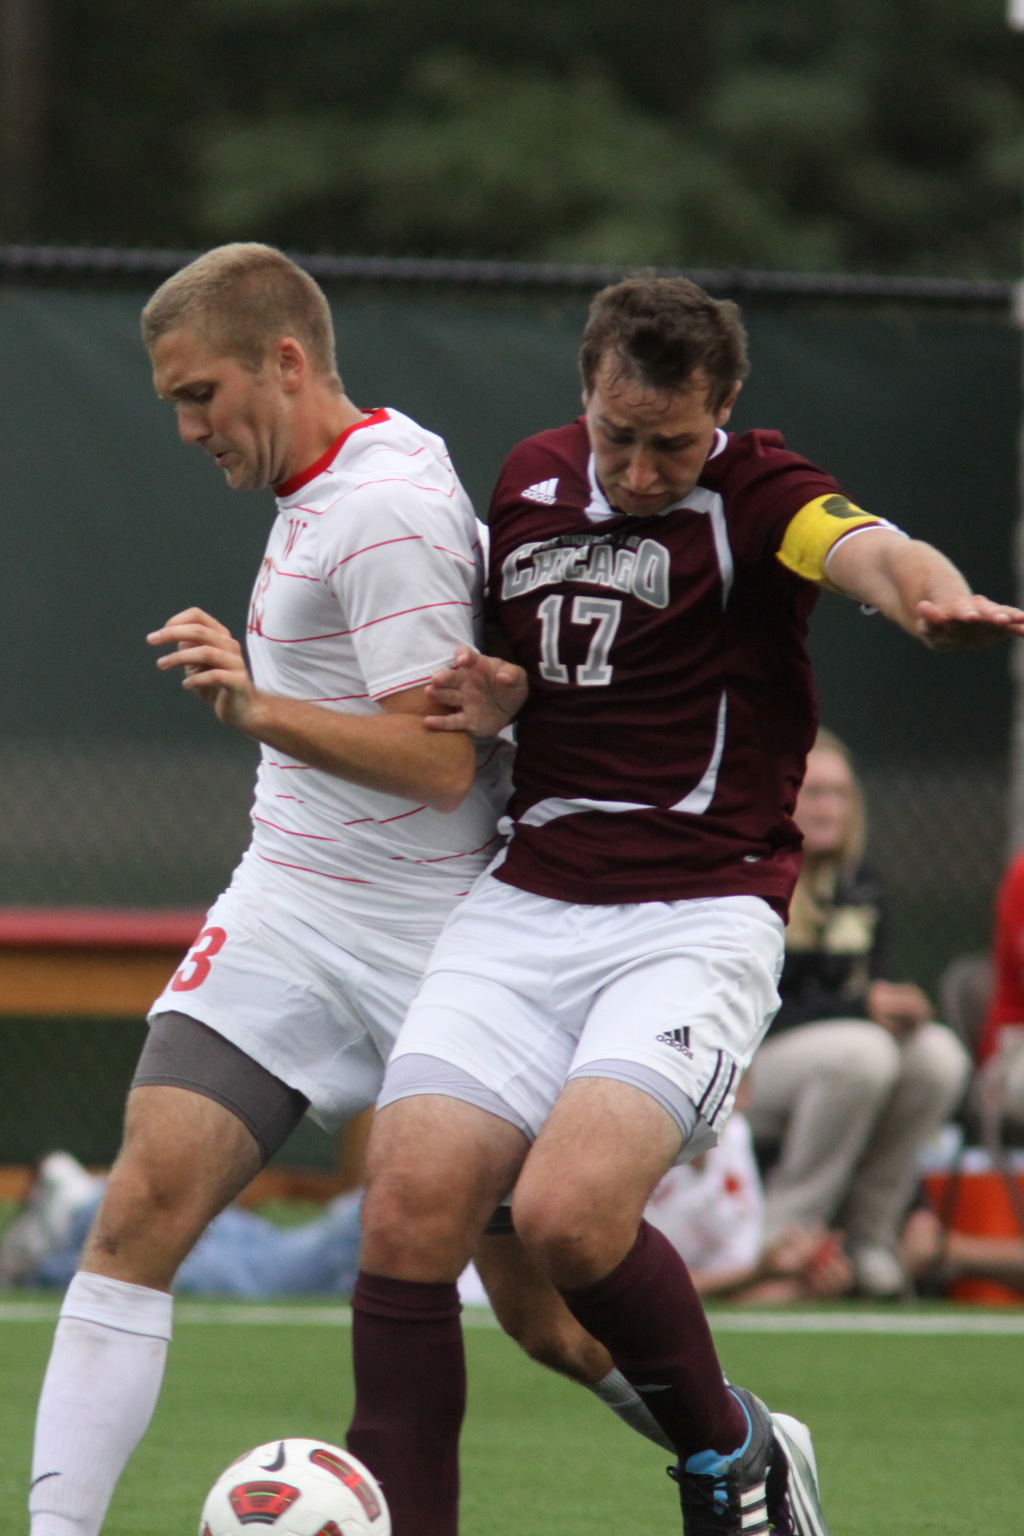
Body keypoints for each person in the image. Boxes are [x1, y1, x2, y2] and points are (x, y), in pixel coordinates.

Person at [343, 275, 1024, 1536]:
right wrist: (502, 694)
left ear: (726, 407)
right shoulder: (528, 482)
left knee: (565, 1216)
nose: (643, 469)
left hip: (694, 916)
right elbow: (534, 669)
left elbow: (867, 546)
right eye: (619, 435)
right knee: (405, 1209)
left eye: (674, 440)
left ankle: (731, 1459)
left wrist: (928, 595)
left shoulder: (763, 493)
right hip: (526, 900)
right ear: (586, 390)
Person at [29, 243, 663, 1536]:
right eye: (170, 404)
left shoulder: (385, 513)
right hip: (290, 912)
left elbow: (440, 766)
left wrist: (255, 707)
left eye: (200, 394)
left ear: (286, 361)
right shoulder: (331, 478)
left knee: (548, 1319)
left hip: (435, 947)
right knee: (136, 1209)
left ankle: (740, 1442)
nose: (188, 427)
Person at [744, 729, 971, 1298]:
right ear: (783, 797)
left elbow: (876, 985)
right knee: (860, 1052)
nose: (830, 807)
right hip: (748, 1068)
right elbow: (749, 1009)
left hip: (835, 1057)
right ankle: (783, 1240)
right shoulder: (752, 878)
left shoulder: (860, 882)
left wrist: (898, 1006)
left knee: (938, 1054)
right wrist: (859, 1007)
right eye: (814, 792)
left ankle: (872, 1236)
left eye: (841, 794)